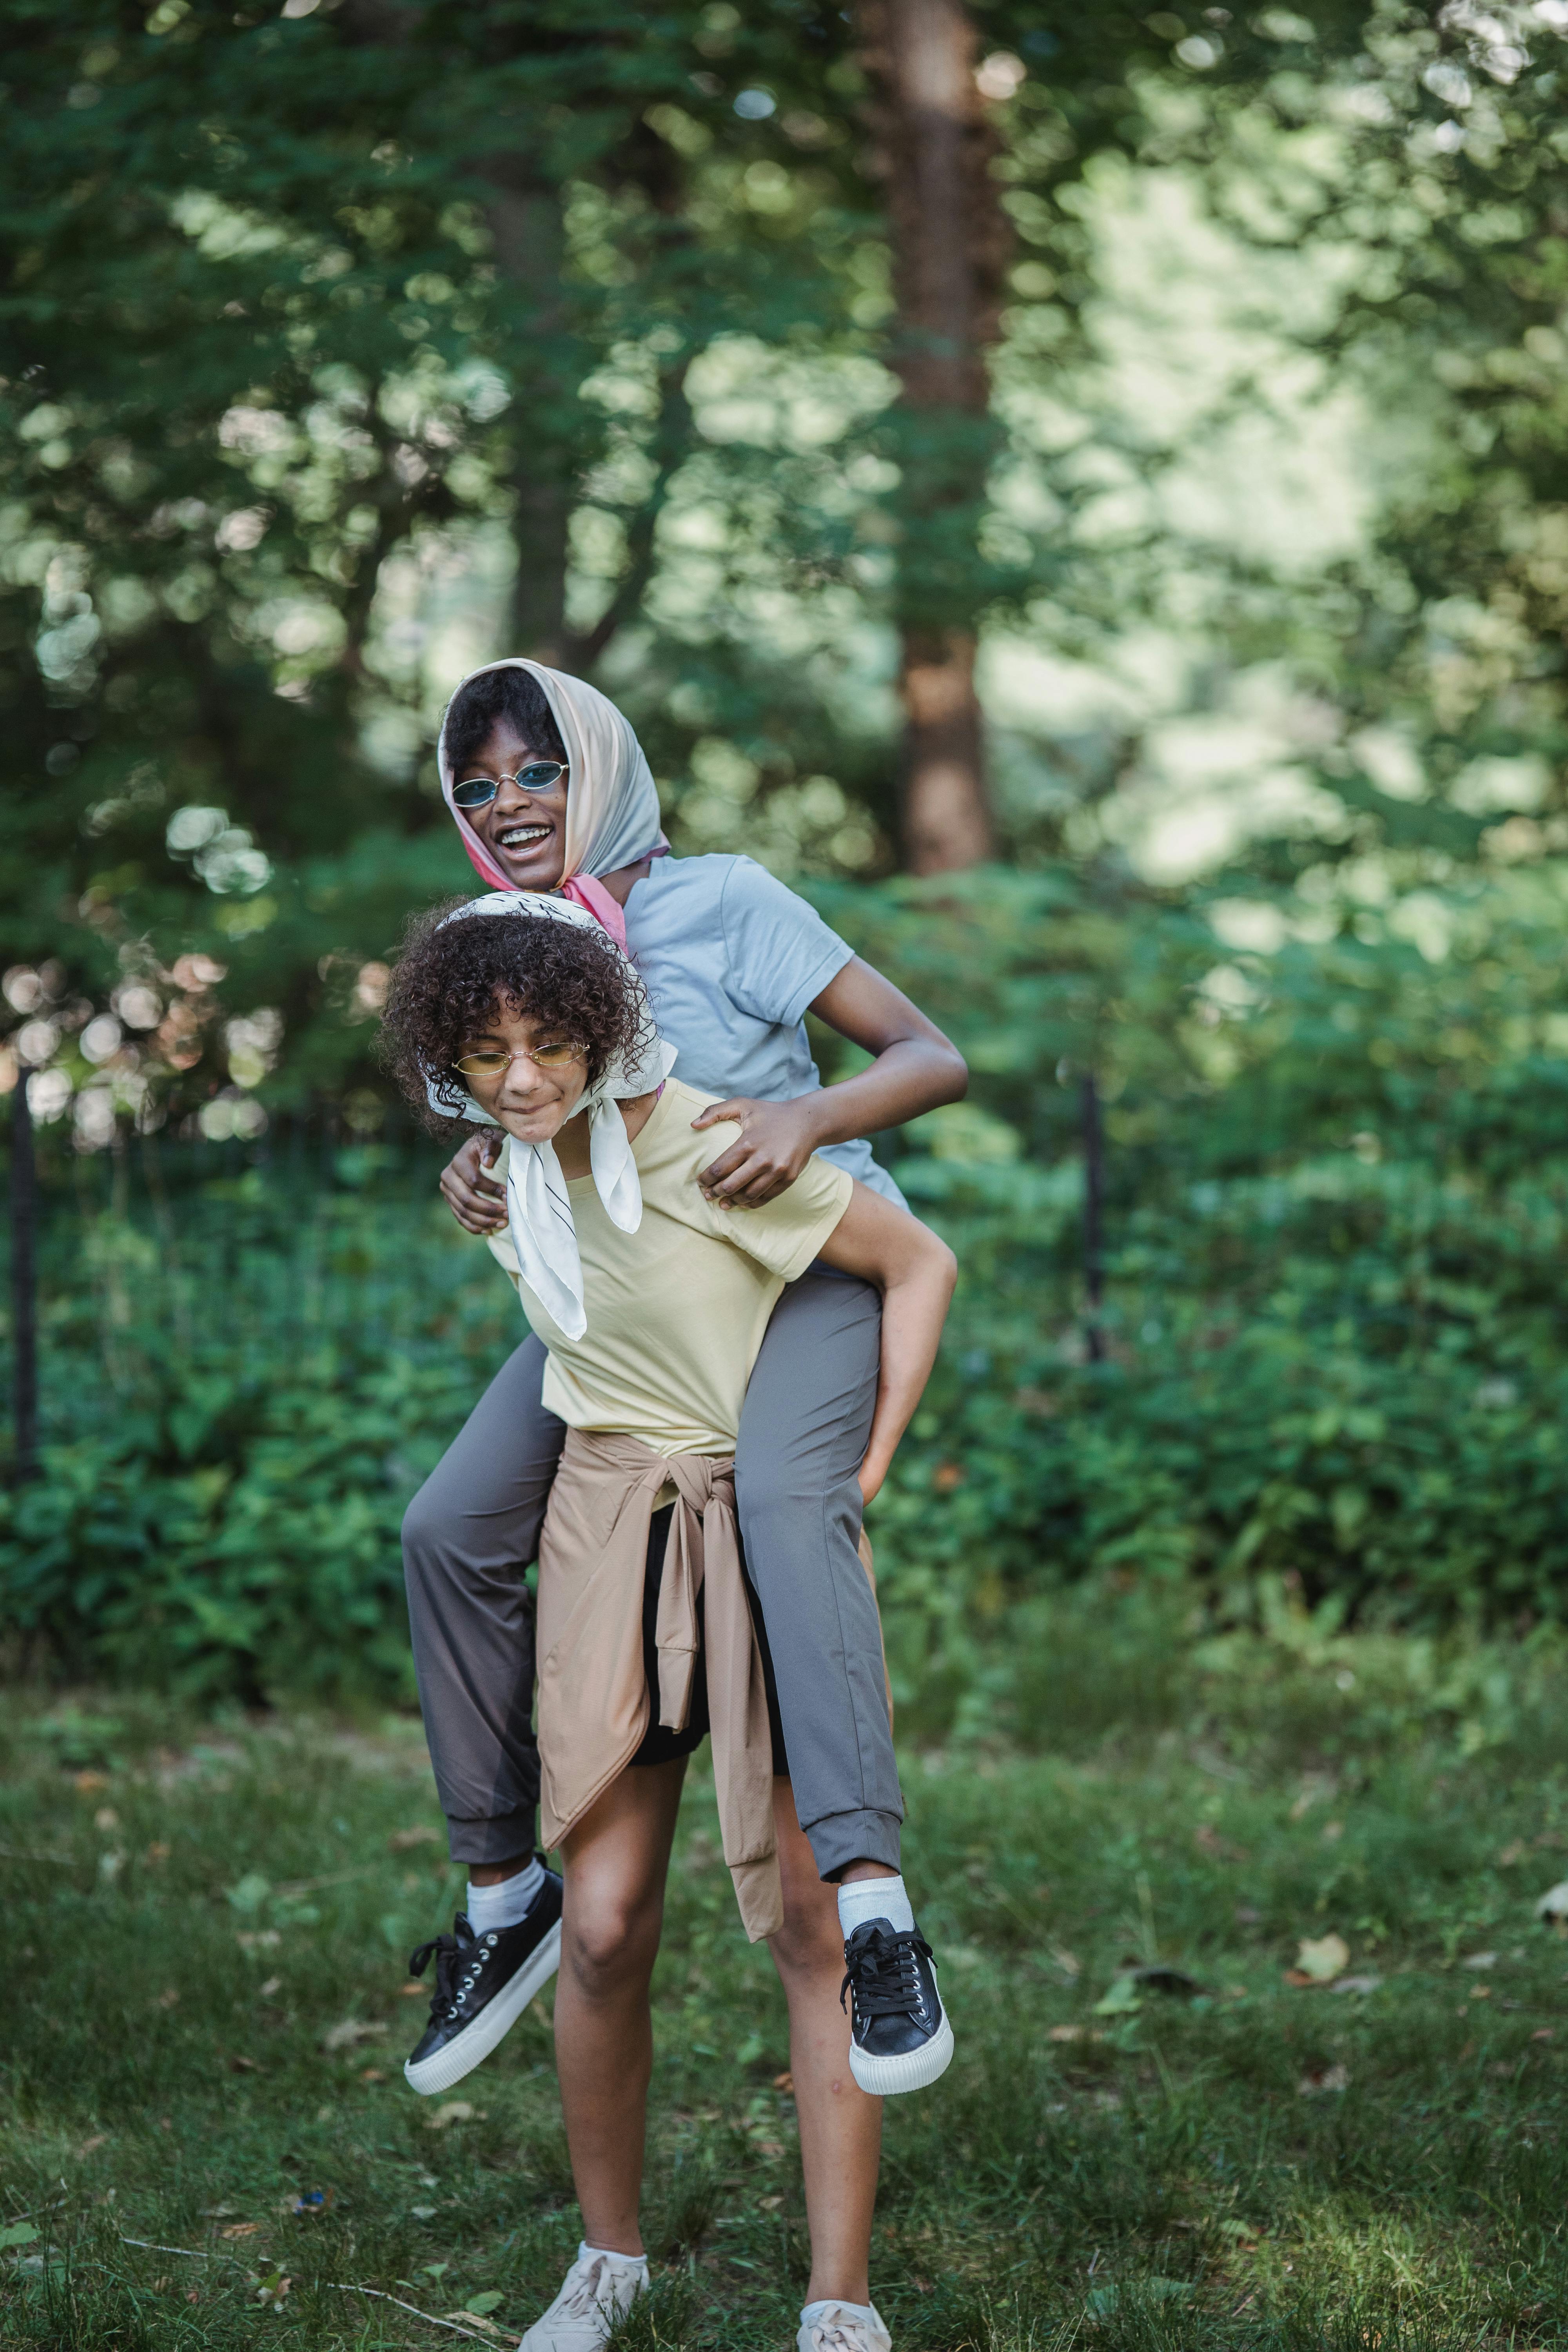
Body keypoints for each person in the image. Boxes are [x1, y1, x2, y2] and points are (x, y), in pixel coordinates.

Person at [382, 895, 957, 2352]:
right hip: (607, 1536)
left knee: (814, 1923)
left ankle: (840, 2298)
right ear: (452, 1061)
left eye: (550, 1044)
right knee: (609, 1923)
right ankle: (607, 2260)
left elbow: (917, 1265)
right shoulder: (508, 1179)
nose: (521, 1077)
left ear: (604, 1034)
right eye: (489, 1052)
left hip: (745, 1537)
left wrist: (860, 1469)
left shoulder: (704, 1143)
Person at [399, 659, 968, 2098]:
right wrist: (480, 1154)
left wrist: (813, 1113)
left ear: (600, 761)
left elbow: (932, 1054)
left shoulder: (725, 902)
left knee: (788, 1499)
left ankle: (880, 1908)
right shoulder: (506, 933)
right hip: (638, 1294)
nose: (513, 803)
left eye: (538, 770)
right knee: (448, 1527)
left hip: (801, 1270)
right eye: (481, 785)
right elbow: (531, 1094)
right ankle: (499, 1894)